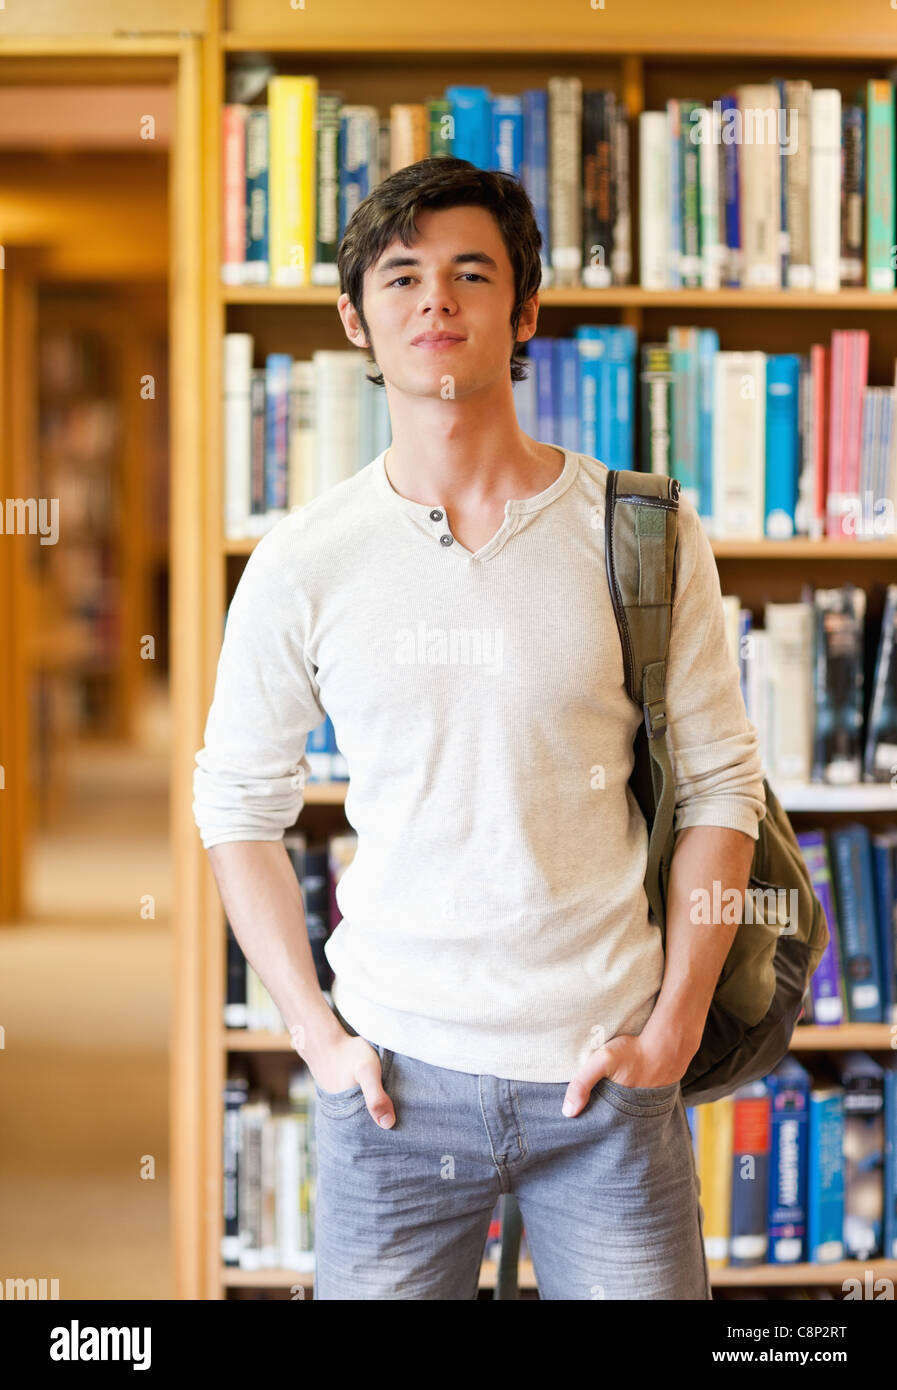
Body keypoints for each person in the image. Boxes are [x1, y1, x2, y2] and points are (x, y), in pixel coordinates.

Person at [193, 156, 767, 1300]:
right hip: (390, 1091)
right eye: (401, 276)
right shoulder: (304, 560)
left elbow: (720, 787)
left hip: (607, 1080)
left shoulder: (642, 532)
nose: (436, 302)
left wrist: (669, 1033)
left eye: (471, 272)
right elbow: (235, 805)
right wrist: (316, 1035)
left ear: (527, 310)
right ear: (357, 317)